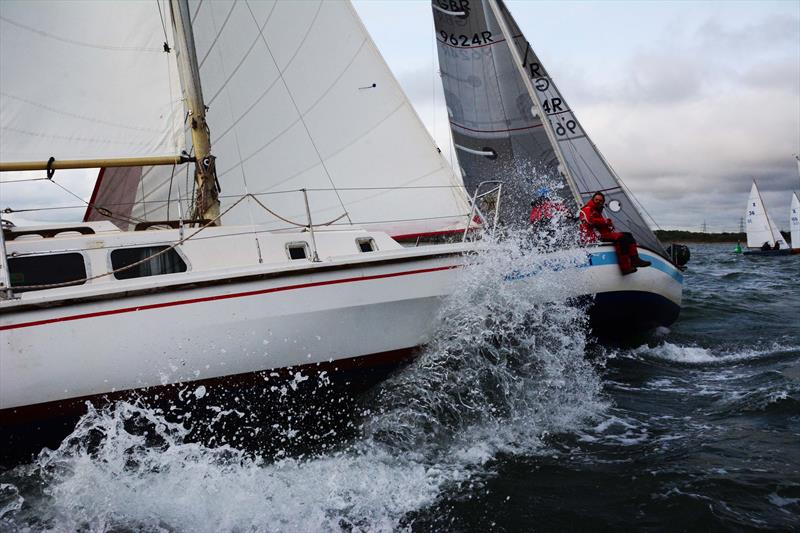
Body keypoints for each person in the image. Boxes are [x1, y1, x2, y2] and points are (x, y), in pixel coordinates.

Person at [579, 191, 651, 275]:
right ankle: (625, 267)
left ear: (603, 202)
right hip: (594, 237)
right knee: (622, 238)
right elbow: (589, 221)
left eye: (600, 200)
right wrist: (605, 221)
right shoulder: (587, 209)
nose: (598, 201)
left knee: (628, 235)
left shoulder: (596, 210)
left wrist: (609, 226)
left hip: (599, 235)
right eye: (596, 199)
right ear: (592, 200)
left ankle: (635, 259)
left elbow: (598, 225)